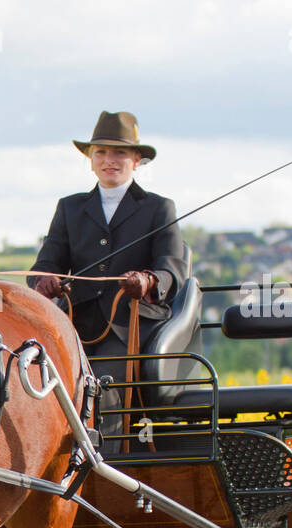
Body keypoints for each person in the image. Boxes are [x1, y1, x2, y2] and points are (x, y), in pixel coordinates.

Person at [28, 111, 189, 437]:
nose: (109, 160)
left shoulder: (159, 208)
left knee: (103, 385)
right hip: (76, 324)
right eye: (100, 152)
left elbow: (172, 269)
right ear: (90, 159)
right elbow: (44, 265)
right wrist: (44, 281)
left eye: (119, 153)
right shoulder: (69, 208)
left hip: (130, 325)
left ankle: (106, 466)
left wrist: (149, 281)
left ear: (137, 160)